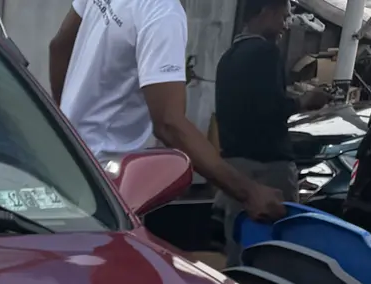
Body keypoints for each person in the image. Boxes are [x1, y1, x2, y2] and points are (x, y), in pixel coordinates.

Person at [49, 0, 287, 226]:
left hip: (60, 154)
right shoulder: (162, 14)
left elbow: (59, 46)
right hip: (103, 187)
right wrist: (248, 191)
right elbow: (169, 123)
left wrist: (66, 122)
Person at [214, 0, 328, 262]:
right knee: (278, 251)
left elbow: (248, 106)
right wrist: (304, 101)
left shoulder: (227, 58)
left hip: (233, 170)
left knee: (238, 250)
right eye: (284, 17)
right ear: (266, 12)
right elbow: (269, 108)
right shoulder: (266, 52)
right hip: (268, 170)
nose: (285, 26)